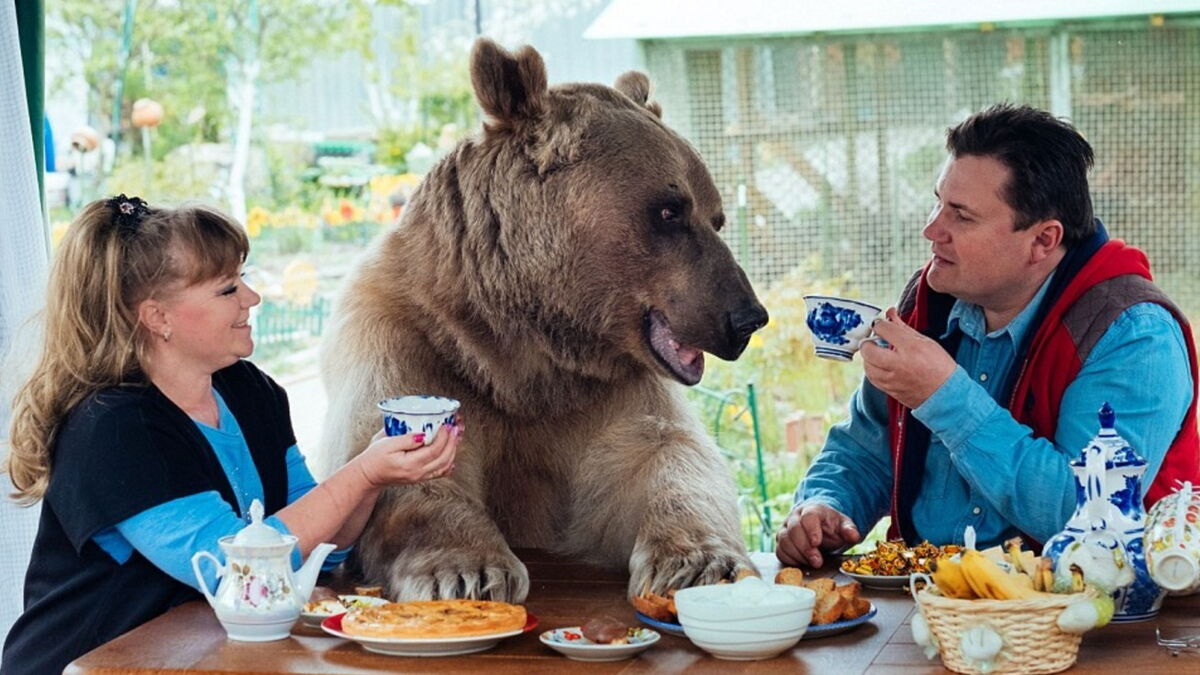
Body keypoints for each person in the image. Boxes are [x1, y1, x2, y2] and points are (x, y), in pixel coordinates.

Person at [1, 195, 461, 674]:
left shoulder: (249, 390)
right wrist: (363, 471)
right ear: (157, 317)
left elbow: (320, 553)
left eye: (245, 278)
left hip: (200, 659)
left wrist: (373, 477)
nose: (252, 298)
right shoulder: (114, 429)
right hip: (89, 665)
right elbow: (238, 572)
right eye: (227, 289)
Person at [778, 104, 1200, 568]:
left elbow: (1091, 518)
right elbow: (867, 448)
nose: (931, 229)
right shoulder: (930, 300)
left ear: (1043, 240)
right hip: (929, 603)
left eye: (961, 215)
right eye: (938, 201)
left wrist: (943, 396)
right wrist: (825, 506)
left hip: (1090, 620)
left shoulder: (1133, 335)